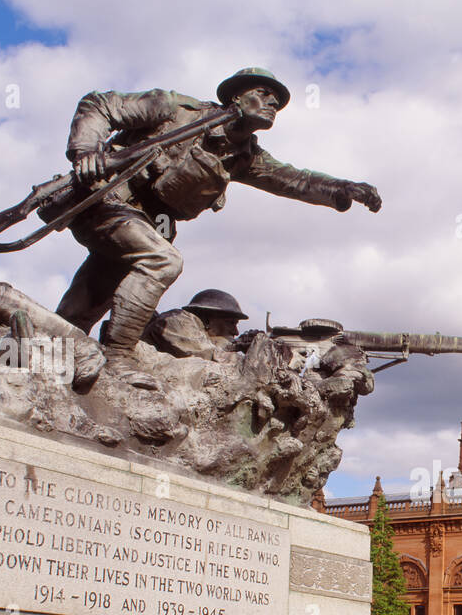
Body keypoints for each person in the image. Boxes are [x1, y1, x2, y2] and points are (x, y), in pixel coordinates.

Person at [52, 67, 380, 385]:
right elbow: (100, 104)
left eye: (277, 102)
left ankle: (39, 362)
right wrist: (86, 152)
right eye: (264, 94)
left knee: (77, 315)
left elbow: (293, 180)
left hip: (143, 226)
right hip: (104, 201)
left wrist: (341, 188)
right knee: (162, 260)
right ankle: (118, 356)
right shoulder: (177, 110)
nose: (272, 104)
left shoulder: (244, 156)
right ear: (237, 95)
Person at [143, 288, 248, 360]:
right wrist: (241, 347)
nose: (235, 331)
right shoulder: (176, 320)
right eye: (231, 323)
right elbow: (208, 355)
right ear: (207, 318)